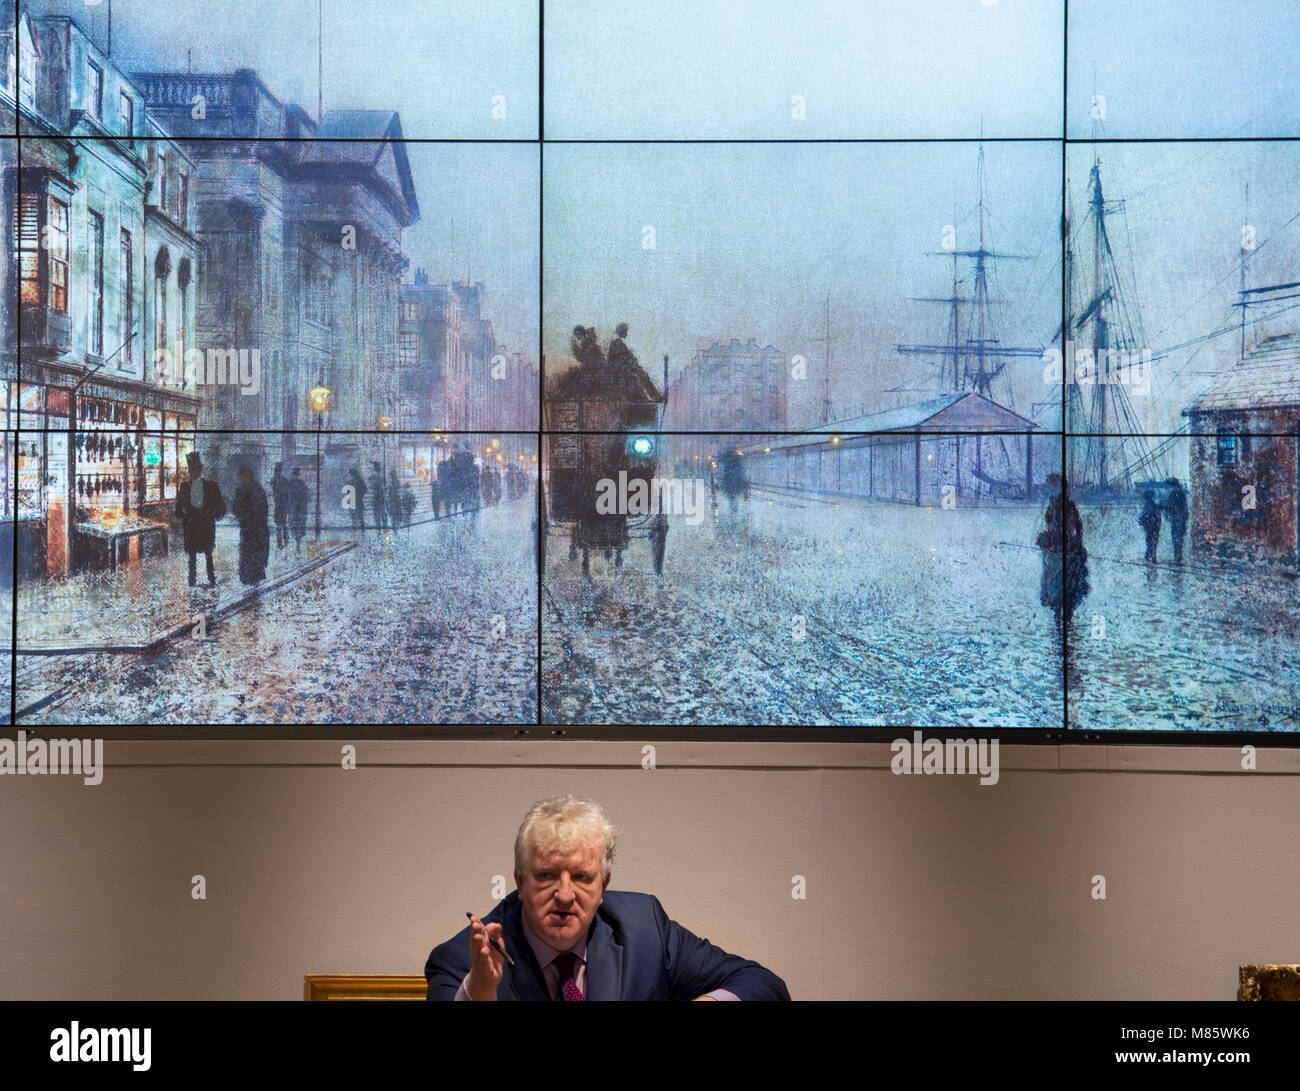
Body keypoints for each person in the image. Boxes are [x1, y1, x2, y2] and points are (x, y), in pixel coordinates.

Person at [425, 795, 790, 1002]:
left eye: (582, 878)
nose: (565, 895)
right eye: (547, 875)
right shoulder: (464, 959)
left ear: (604, 886)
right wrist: (482, 990)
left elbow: (763, 985)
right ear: (520, 881)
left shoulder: (645, 928)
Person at [1036, 472, 1089, 626]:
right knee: (1056, 592)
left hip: (1067, 551)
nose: (1051, 489)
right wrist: (1046, 539)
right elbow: (1051, 527)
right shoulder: (1051, 505)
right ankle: (1060, 624)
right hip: (1054, 552)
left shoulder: (1068, 505)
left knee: (1066, 590)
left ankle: (1065, 623)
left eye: (1053, 486)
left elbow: (1078, 526)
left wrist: (1076, 542)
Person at [174, 451, 226, 588]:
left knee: (208, 555)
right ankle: (192, 582)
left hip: (205, 526)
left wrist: (210, 514)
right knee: (192, 557)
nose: (193, 472)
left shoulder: (211, 487)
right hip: (191, 527)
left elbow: (221, 507)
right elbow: (178, 510)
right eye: (191, 469)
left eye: (195, 469)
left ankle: (211, 579)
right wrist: (184, 512)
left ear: (200, 470)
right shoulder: (184, 487)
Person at [232, 466, 270, 584]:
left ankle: (253, 575)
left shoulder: (255, 490)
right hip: (249, 528)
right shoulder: (243, 490)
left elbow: (262, 509)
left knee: (253, 552)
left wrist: (247, 517)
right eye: (241, 476)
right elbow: (235, 508)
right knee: (250, 552)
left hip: (255, 528)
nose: (242, 478)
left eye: (244, 476)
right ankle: (250, 575)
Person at [1164, 477, 1188, 564]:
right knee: (1179, 538)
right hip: (1180, 519)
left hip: (1177, 519)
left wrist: (1163, 506)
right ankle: (1178, 556)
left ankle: (1177, 557)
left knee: (1176, 538)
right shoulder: (1181, 493)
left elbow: (1170, 504)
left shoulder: (1175, 494)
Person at [288, 467, 310, 550]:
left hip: (294, 508)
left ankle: (297, 541)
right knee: (298, 525)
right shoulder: (301, 484)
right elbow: (306, 497)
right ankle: (298, 541)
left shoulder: (290, 484)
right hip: (299, 509)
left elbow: (288, 497)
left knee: (294, 525)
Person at [271, 462, 290, 549]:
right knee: (284, 524)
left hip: (278, 505)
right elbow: (287, 493)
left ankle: (280, 543)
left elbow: (274, 493)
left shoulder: (274, 480)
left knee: (279, 525)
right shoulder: (284, 480)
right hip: (283, 505)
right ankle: (285, 541)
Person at [1139, 490, 1161, 563]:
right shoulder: (1154, 505)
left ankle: (1149, 556)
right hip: (1154, 526)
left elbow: (1146, 515)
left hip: (1150, 526)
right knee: (1153, 541)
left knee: (1149, 541)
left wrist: (1142, 521)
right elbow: (1157, 516)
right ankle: (1152, 556)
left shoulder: (1148, 505)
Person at [348, 466, 368, 533]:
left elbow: (364, 489)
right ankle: (358, 531)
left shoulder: (357, 481)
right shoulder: (354, 481)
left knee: (358, 517)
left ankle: (359, 531)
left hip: (356, 501)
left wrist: (359, 495)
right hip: (355, 501)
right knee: (357, 517)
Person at [370, 461, 387, 530]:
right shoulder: (379, 477)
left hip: (379, 499)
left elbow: (381, 488)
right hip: (379, 499)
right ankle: (383, 534)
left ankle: (383, 535)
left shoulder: (378, 477)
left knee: (379, 517)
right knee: (381, 518)